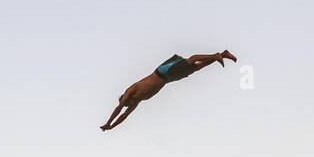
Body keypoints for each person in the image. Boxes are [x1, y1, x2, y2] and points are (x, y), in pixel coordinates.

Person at [100, 50, 237, 131]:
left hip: (162, 72)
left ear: (125, 98)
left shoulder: (130, 91)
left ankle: (216, 55)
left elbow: (119, 109)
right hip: (168, 78)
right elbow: (124, 116)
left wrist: (108, 122)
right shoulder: (136, 101)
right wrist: (112, 127)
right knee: (196, 68)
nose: (128, 107)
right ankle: (222, 55)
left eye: (127, 104)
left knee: (190, 61)